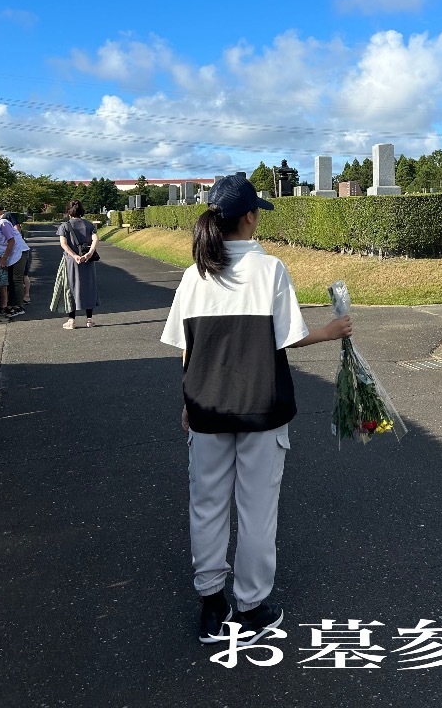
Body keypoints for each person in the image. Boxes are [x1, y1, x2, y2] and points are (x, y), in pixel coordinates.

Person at [160, 174, 352, 646]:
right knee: (257, 509)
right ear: (249, 217)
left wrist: (188, 402)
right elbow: (289, 336)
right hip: (262, 410)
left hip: (206, 409)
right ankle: (250, 605)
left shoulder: (193, 275)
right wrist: (329, 332)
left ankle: (210, 605)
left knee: (206, 506)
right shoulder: (270, 271)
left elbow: (186, 349)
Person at [57, 200, 99, 329]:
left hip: (71, 261)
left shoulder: (65, 226)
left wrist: (74, 255)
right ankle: (89, 320)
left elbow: (63, 243)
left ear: (68, 211)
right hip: (88, 260)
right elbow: (96, 239)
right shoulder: (89, 225)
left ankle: (71, 320)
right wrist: (90, 253)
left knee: (70, 288)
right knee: (88, 287)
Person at [0, 204, 30, 317]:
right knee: (10, 279)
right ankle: (11, 305)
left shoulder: (2, 223)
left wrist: (4, 259)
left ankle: (18, 307)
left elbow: (11, 241)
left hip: (19, 252)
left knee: (16, 279)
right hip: (8, 255)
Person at [1, 211, 31, 304]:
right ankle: (25, 296)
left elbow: (16, 230)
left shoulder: (6, 218)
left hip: (19, 251)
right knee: (21, 276)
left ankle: (20, 302)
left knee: (18, 278)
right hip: (19, 249)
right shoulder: (3, 220)